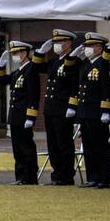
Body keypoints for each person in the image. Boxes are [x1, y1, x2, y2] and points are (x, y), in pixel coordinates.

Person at [71, 33, 110, 189]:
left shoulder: (107, 64)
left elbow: (109, 88)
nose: (87, 49)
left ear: (99, 47)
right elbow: (79, 88)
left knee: (100, 146)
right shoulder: (85, 64)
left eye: (90, 46)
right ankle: (93, 177)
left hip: (97, 111)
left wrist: (107, 111)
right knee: (88, 146)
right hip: (84, 111)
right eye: (87, 46)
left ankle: (105, 178)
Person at [0, 39, 43, 185]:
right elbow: (2, 80)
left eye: (16, 53)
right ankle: (20, 176)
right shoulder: (18, 72)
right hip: (15, 116)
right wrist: (0, 66)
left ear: (24, 53)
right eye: (13, 53)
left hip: (24, 116)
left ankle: (29, 177)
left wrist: (31, 116)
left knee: (26, 147)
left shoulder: (30, 71)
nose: (15, 55)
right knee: (17, 148)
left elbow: (34, 95)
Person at [41, 28, 80, 185]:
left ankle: (67, 175)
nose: (56, 45)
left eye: (59, 42)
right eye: (55, 42)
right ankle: (57, 174)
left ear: (68, 43)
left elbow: (74, 85)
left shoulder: (74, 62)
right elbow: (36, 68)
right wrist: (39, 53)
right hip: (50, 108)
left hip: (64, 109)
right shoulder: (54, 62)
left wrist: (72, 105)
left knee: (64, 143)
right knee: (53, 144)